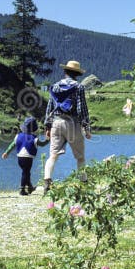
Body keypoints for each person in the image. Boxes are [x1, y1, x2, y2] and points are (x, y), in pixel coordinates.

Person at [43, 60, 92, 193]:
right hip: (72, 123)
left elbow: (50, 107)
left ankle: (47, 181)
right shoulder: (79, 87)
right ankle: (83, 183)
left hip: (56, 123)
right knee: (80, 157)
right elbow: (82, 108)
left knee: (53, 155)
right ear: (77, 74)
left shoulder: (54, 86)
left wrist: (47, 127)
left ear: (65, 72)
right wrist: (86, 128)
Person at [1, 116, 49, 195]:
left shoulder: (18, 136)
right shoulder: (34, 138)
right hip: (28, 158)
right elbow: (43, 144)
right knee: (25, 172)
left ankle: (30, 187)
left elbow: (12, 145)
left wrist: (6, 152)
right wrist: (48, 139)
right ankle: (22, 189)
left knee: (26, 172)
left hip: (19, 158)